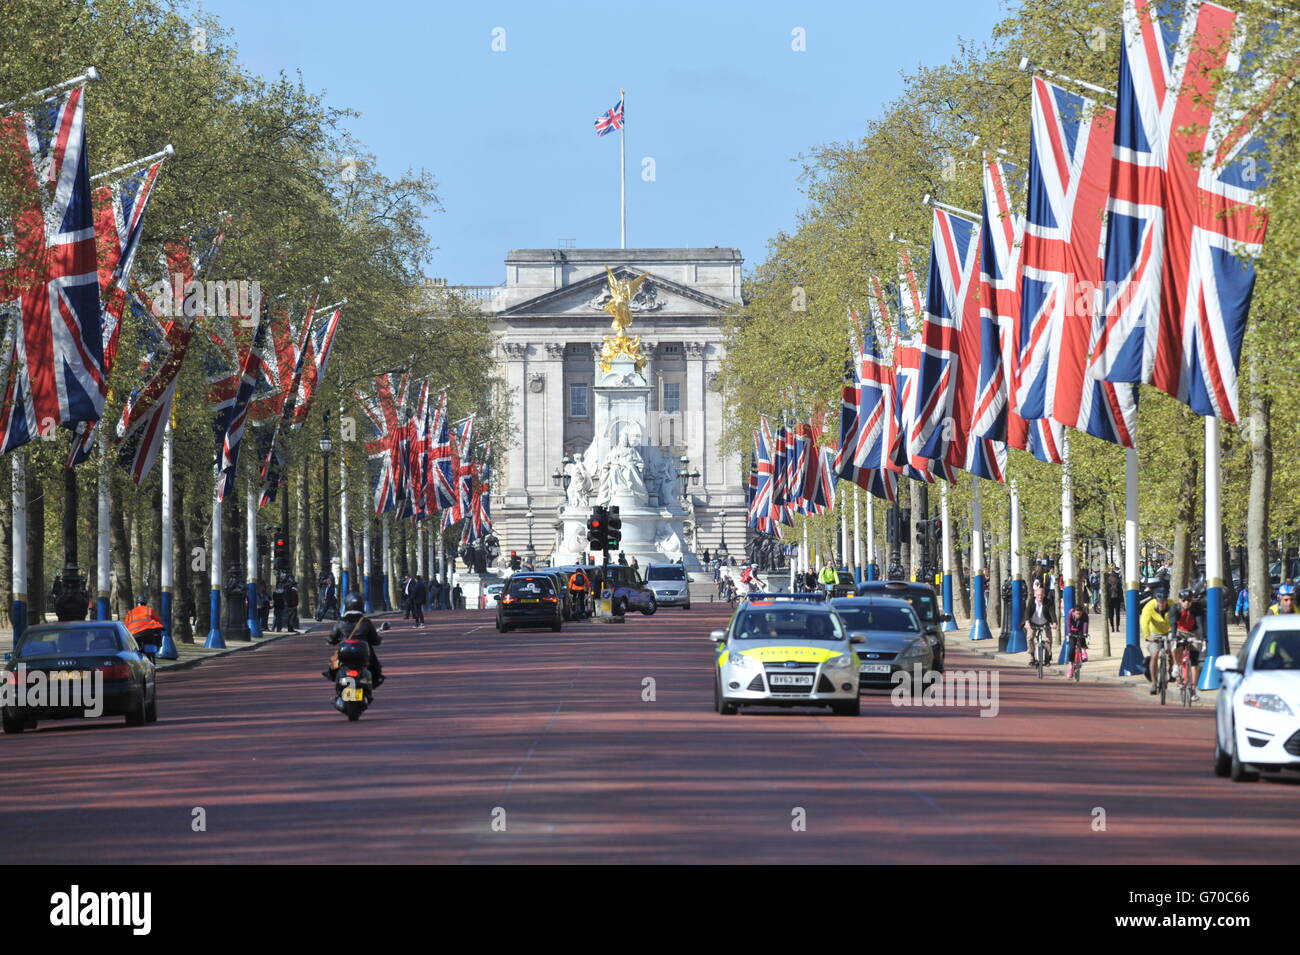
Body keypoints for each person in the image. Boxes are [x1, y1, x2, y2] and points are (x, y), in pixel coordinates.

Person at [324, 592, 383, 685]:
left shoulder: (341, 622)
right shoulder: (366, 622)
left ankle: (335, 679)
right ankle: (374, 681)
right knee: (375, 665)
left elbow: (333, 638)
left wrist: (330, 640)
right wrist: (378, 639)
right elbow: (375, 640)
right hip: (363, 654)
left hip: (345, 653)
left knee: (333, 666)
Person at [1172, 589, 1204, 701]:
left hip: (1193, 632)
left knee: (1194, 663)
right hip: (1180, 631)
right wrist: (1174, 637)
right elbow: (1173, 625)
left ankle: (1193, 690)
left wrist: (1202, 638)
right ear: (1179, 600)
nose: (1186, 603)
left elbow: (1200, 624)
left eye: (1189, 600)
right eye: (1184, 600)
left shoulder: (1196, 608)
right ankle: (1177, 666)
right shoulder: (1175, 608)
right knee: (1175, 646)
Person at [1140, 590, 1172, 694]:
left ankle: (1171, 671)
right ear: (1156, 601)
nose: (1162, 604)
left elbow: (1177, 618)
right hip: (1154, 633)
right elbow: (1144, 621)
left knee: (1172, 650)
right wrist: (1147, 635)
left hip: (1168, 630)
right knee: (1154, 655)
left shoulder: (1172, 605)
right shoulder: (1149, 607)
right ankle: (1154, 683)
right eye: (1160, 602)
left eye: (1164, 602)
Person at [1022, 580, 1056, 666]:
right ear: (1035, 595)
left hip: (1045, 623)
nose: (1040, 597)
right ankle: (1032, 656)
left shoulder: (1048, 602)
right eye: (1038, 595)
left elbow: (1052, 612)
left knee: (1049, 639)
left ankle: (1047, 658)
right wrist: (1027, 622)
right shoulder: (1031, 601)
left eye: (1041, 595)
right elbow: (1027, 612)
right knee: (1030, 637)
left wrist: (1054, 622)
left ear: (1044, 595)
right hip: (1033, 623)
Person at [1065, 605, 1089, 679]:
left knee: (1082, 636)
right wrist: (1069, 632)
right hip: (1072, 630)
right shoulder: (1070, 615)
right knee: (1071, 648)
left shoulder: (1085, 615)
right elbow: (1068, 624)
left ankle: (1084, 652)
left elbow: (1085, 624)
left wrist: (1085, 633)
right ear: (1074, 613)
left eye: (1080, 614)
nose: (1078, 615)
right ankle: (1071, 667)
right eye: (1077, 614)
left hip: (1080, 629)